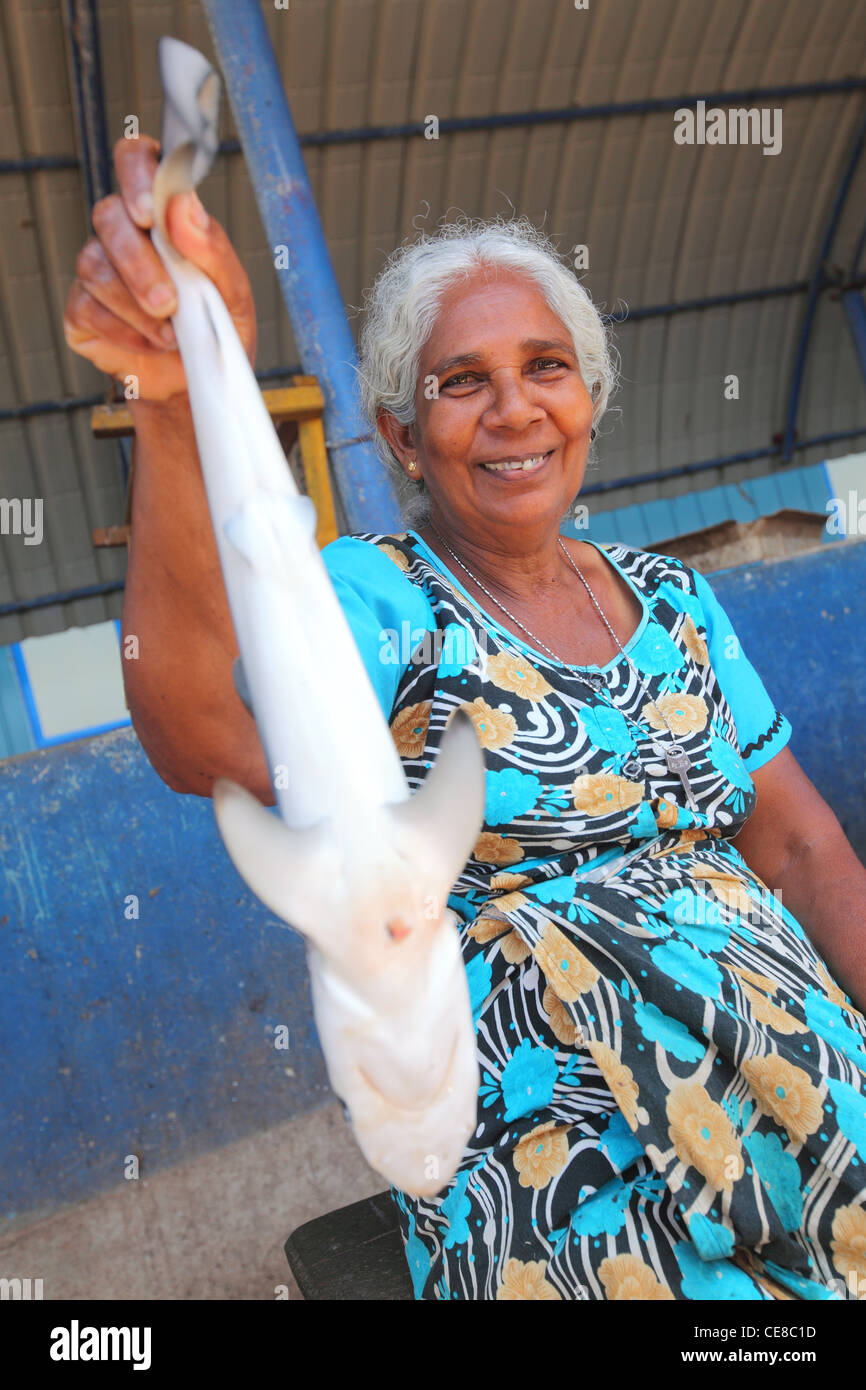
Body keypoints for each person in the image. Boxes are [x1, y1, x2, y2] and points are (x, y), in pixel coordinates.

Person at [64, 136, 866, 1302]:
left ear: (587, 397)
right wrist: (182, 404)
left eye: (544, 366)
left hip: (804, 1087)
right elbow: (203, 731)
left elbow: (799, 846)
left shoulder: (677, 603)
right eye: (460, 380)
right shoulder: (381, 598)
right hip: (565, 1162)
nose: (512, 409)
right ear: (400, 433)